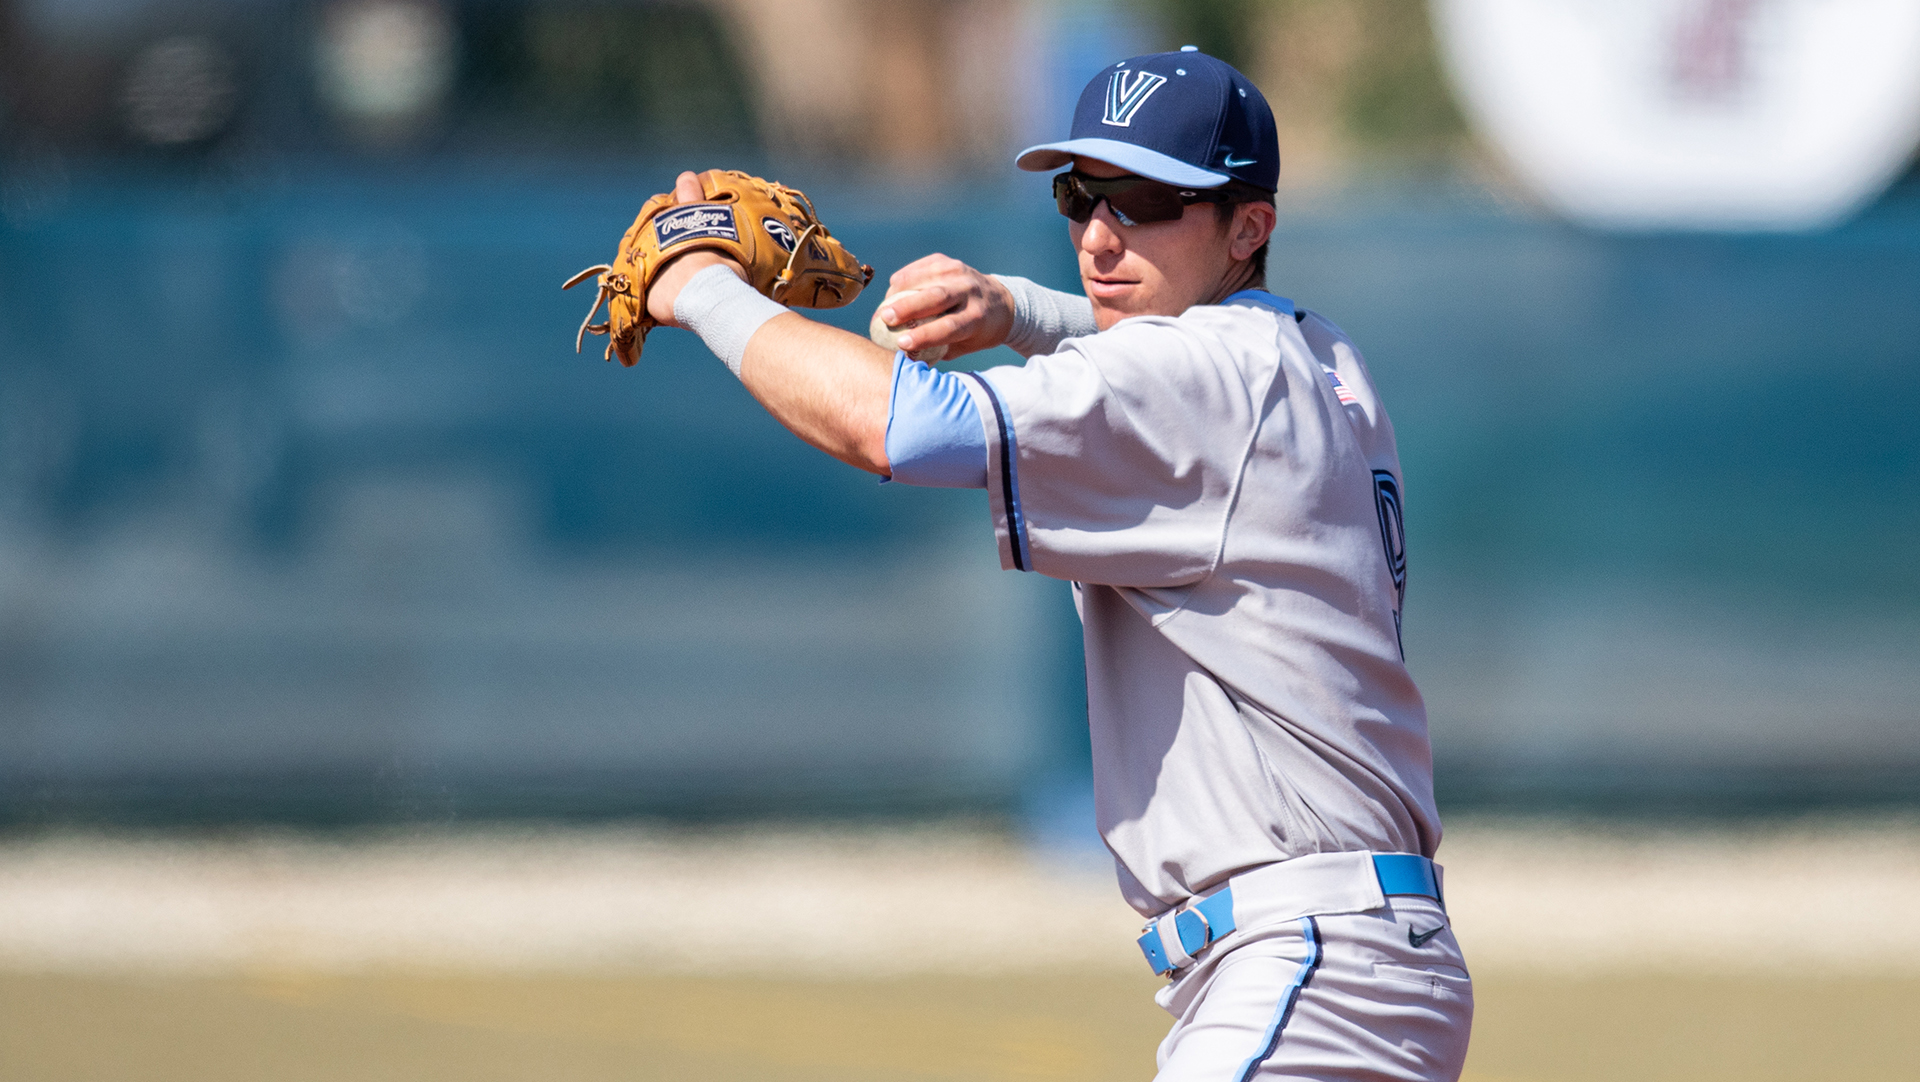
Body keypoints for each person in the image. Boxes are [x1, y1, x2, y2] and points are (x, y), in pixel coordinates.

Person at [644, 47, 1470, 1082]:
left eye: (1149, 201)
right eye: (1080, 196)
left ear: (1249, 225)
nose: (1100, 236)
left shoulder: (1203, 375)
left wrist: (703, 288)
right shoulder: (1315, 353)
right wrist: (1020, 311)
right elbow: (1168, 348)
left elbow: (893, 425)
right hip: (1357, 955)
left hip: (1311, 964)